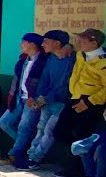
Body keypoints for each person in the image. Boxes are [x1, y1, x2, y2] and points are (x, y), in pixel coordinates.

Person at [54, 28, 106, 177]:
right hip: (74, 98)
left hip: (91, 103)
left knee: (82, 134)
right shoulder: (81, 55)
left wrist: (88, 102)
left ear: (93, 43)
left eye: (83, 40)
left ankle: (79, 168)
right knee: (59, 131)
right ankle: (78, 160)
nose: (78, 43)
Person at [0, 33, 47, 168]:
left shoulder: (43, 61)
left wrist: (36, 98)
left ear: (33, 44)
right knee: (4, 122)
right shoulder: (23, 60)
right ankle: (27, 145)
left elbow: (43, 83)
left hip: (32, 99)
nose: (21, 45)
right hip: (19, 98)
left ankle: (14, 155)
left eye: (24, 42)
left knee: (24, 127)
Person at [27, 29, 75, 169]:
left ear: (57, 43)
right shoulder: (50, 58)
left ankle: (35, 158)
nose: (42, 44)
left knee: (49, 131)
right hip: (47, 101)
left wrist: (46, 98)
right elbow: (44, 79)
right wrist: (39, 98)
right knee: (40, 128)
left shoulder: (71, 60)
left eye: (46, 42)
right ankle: (31, 156)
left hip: (61, 103)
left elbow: (66, 85)